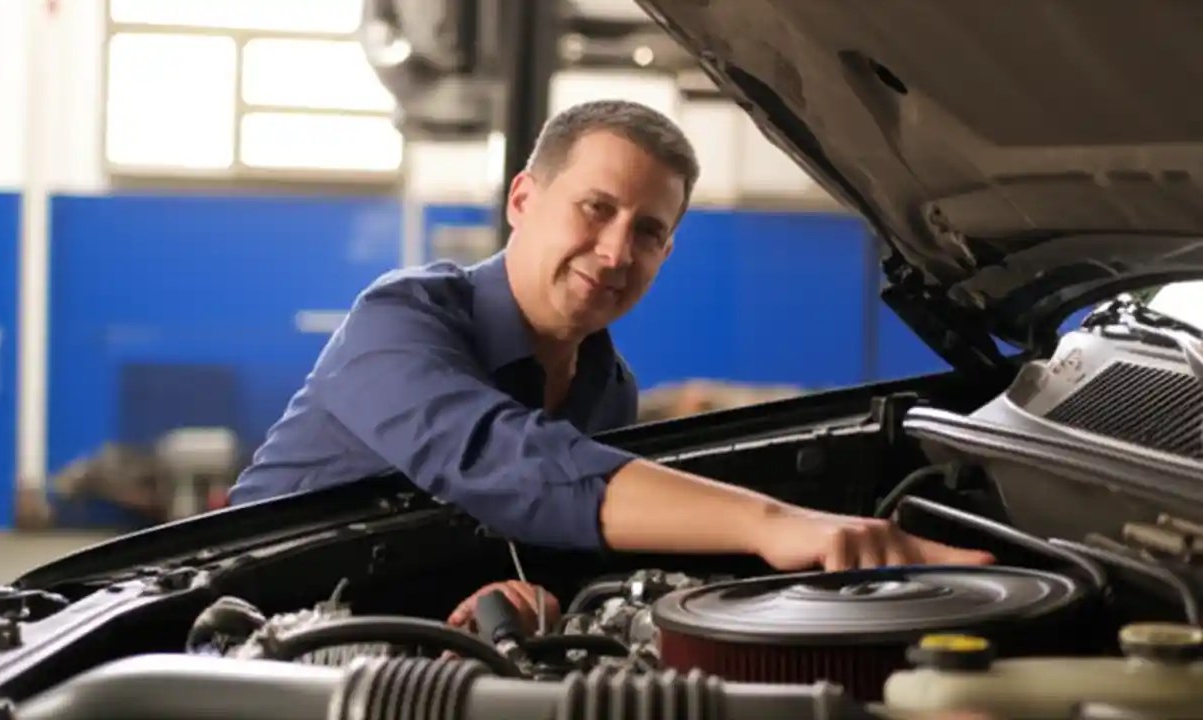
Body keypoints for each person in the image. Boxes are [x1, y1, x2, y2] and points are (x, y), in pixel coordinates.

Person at [228, 99, 995, 573]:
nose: (616, 252)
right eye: (596, 209)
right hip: (232, 638)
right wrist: (772, 522)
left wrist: (530, 596)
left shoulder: (607, 389)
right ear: (523, 200)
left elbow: (545, 549)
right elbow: (503, 462)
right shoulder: (401, 319)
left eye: (649, 232)